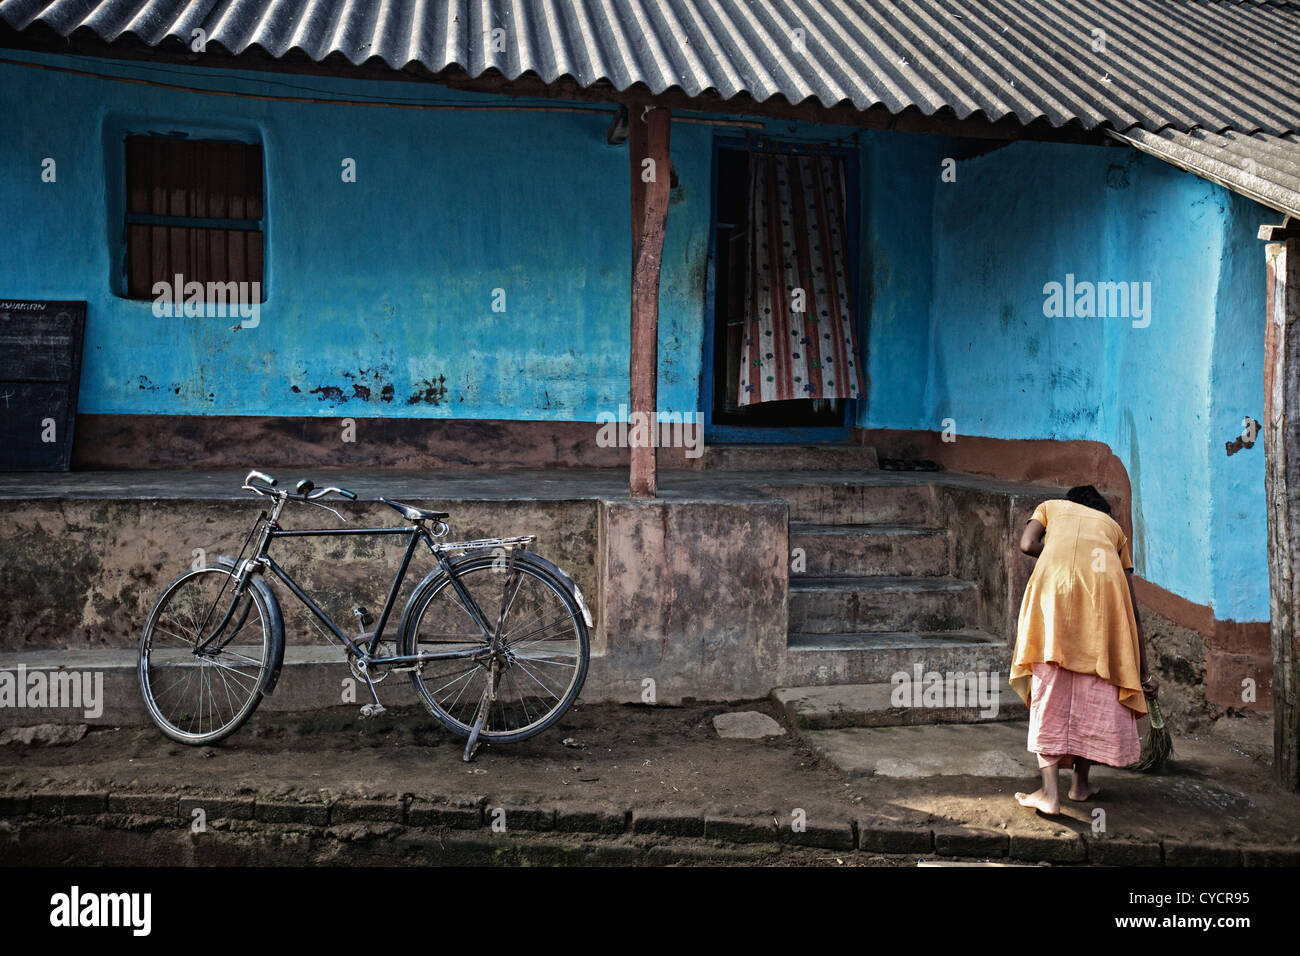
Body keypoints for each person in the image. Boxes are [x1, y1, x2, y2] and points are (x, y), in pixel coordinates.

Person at [1010, 484, 1158, 815]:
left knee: (1051, 690)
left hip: (1057, 600)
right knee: (1094, 691)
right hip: (1104, 609)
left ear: (1071, 501)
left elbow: (1026, 543)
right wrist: (1144, 671)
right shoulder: (1113, 529)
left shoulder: (1051, 507)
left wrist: (1056, 551)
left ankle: (1049, 795)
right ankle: (1080, 786)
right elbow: (1131, 606)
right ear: (1100, 509)